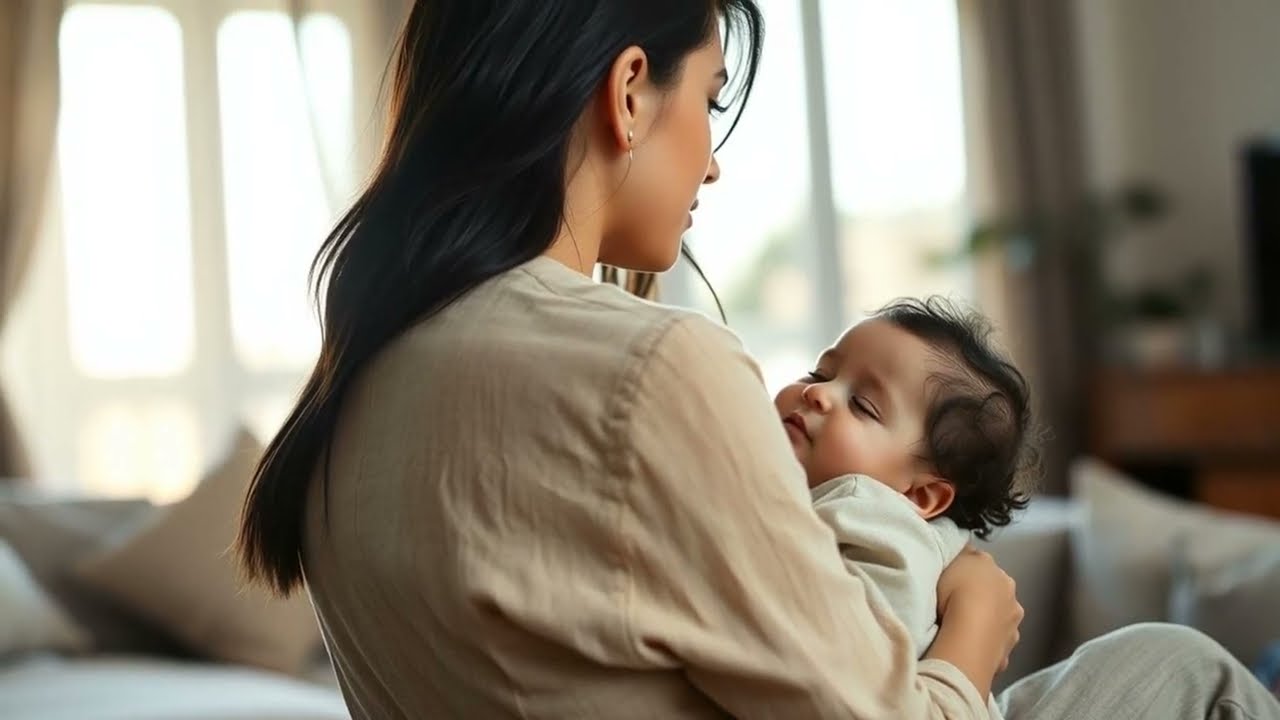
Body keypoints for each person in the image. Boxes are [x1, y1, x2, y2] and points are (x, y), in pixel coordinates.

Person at [234, 1, 1280, 718]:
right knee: (1179, 670)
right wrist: (971, 630)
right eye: (711, 98)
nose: (714, 159)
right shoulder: (654, 370)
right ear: (630, 91)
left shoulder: (360, 380)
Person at [775, 297, 1037, 719]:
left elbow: (863, 677)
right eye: (820, 372)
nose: (817, 392)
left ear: (920, 497)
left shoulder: (866, 513)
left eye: (863, 405)